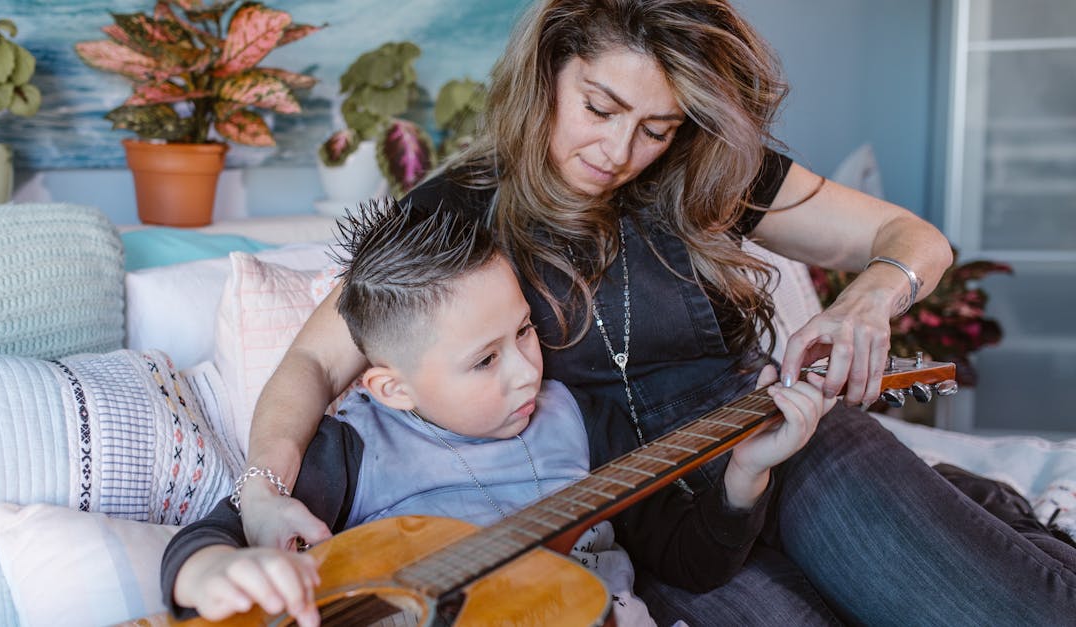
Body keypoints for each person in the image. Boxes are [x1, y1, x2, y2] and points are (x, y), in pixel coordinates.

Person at [240, 0, 1076, 624]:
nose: (620, 153)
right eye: (600, 108)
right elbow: (313, 363)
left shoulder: (705, 173)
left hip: (787, 443)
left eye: (657, 127)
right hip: (659, 529)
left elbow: (911, 238)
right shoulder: (456, 212)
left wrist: (868, 296)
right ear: (549, 71)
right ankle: (983, 511)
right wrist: (263, 495)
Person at [160, 199, 835, 625]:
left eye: (523, 330)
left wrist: (745, 475)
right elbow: (207, 542)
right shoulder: (355, 451)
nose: (525, 370)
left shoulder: (581, 419)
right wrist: (212, 569)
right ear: (394, 388)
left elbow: (687, 561)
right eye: (484, 361)